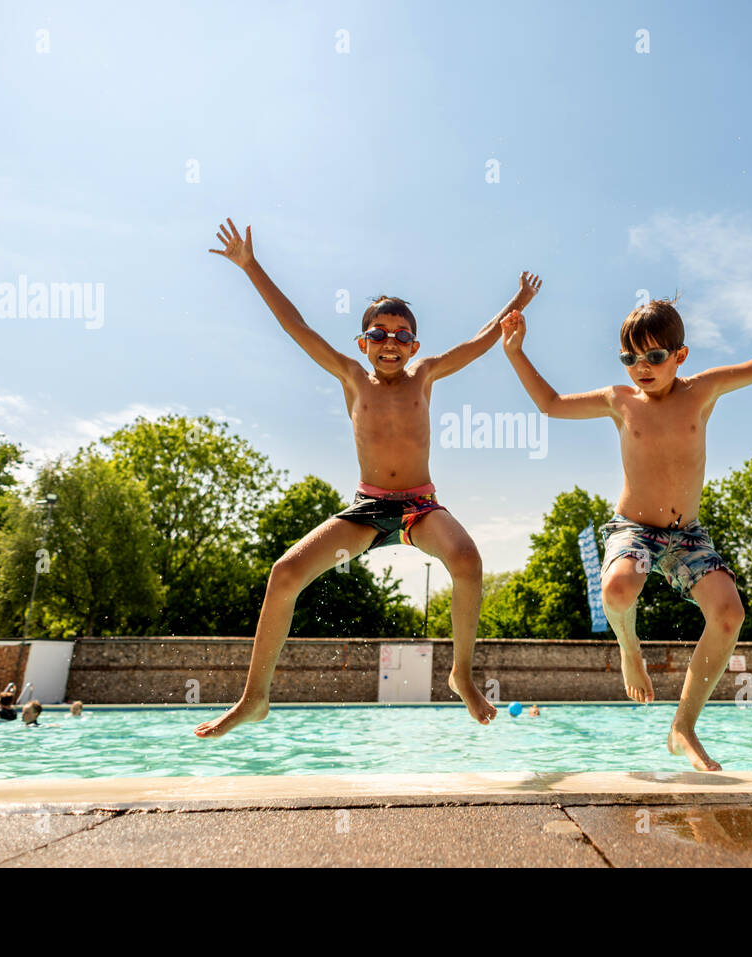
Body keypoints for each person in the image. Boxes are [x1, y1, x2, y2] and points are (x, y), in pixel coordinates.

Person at [501, 294, 752, 770]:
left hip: (686, 536)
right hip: (634, 529)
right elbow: (551, 403)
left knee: (729, 614)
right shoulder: (618, 401)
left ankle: (683, 726)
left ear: (680, 355)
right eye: (630, 358)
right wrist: (516, 351)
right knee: (618, 589)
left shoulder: (702, 390)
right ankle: (629, 648)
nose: (642, 367)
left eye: (655, 356)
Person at [195, 217, 542, 738]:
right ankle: (254, 697)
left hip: (420, 508)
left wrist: (518, 302)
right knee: (284, 575)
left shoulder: (424, 375)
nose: (391, 342)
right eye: (379, 334)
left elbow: (478, 341)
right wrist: (251, 266)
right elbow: (298, 328)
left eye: (402, 336)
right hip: (367, 510)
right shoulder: (352, 377)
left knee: (468, 562)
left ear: (414, 344)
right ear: (362, 343)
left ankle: (460, 674)